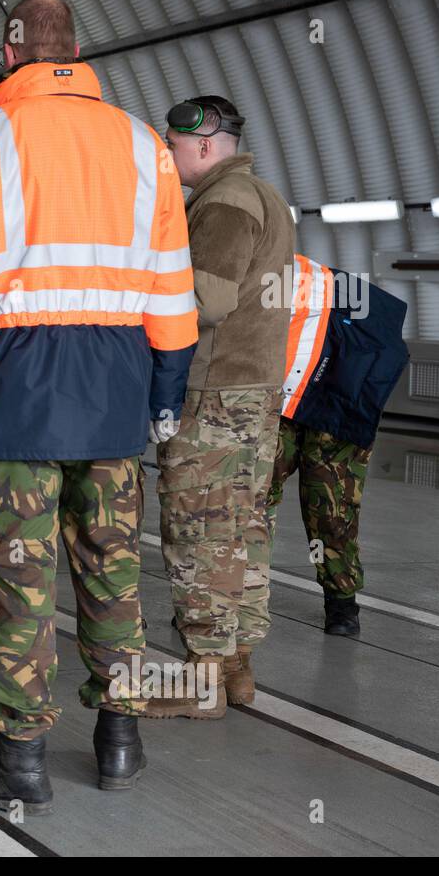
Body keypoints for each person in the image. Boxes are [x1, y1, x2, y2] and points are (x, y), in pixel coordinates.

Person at [0, 0, 198, 807]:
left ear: (8, 56)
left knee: (19, 583)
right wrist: (160, 400)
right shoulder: (147, 147)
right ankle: (120, 742)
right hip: (116, 403)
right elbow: (174, 301)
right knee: (112, 574)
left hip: (13, 404)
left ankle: (20, 762)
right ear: (78, 53)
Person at [139, 95, 294, 719]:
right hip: (253, 392)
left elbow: (207, 299)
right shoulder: (266, 196)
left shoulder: (224, 203)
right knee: (242, 531)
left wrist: (140, 284)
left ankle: (201, 679)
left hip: (215, 393)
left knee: (200, 531)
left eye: (174, 147)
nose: (170, 159)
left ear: (203, 145)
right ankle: (235, 667)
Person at [258, 254, 409, 640]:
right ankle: (222, 599)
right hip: (292, 384)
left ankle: (341, 601)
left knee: (330, 501)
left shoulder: (260, 274)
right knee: (254, 492)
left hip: (346, 379)